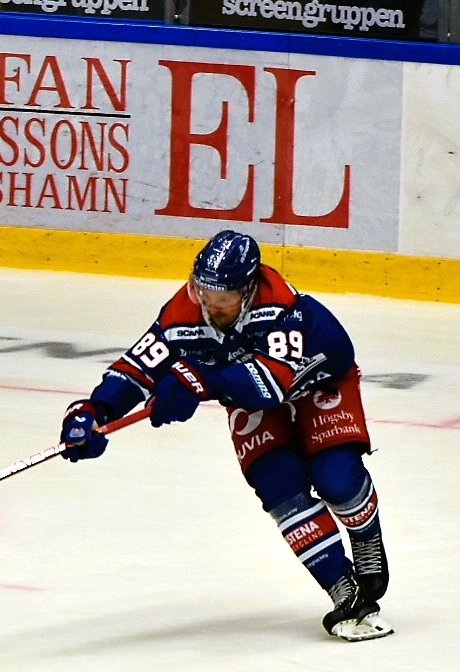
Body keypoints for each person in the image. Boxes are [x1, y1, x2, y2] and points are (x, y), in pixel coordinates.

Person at [60, 230, 392, 642]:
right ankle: (345, 591)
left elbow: (271, 384)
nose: (211, 305)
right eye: (205, 292)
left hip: (317, 382)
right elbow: (139, 367)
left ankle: (365, 534)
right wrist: (95, 410)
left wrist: (198, 379)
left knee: (335, 477)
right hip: (244, 395)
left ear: (248, 290)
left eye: (224, 298)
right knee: (277, 484)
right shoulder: (184, 310)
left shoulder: (281, 307)